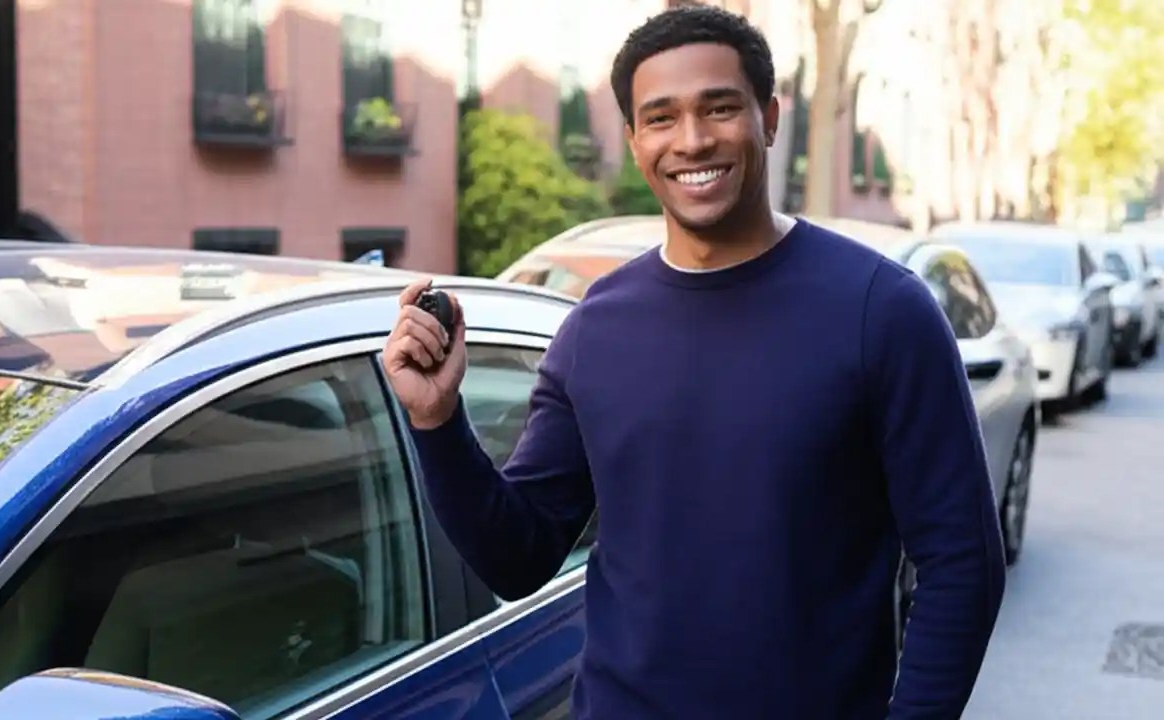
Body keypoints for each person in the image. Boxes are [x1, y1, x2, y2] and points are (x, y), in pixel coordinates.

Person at [381, 5, 1005, 719]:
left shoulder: (881, 311)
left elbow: (963, 563)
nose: (693, 140)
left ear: (769, 118)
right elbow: (517, 557)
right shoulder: (596, 327)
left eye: (719, 108)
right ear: (634, 140)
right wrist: (437, 420)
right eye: (661, 117)